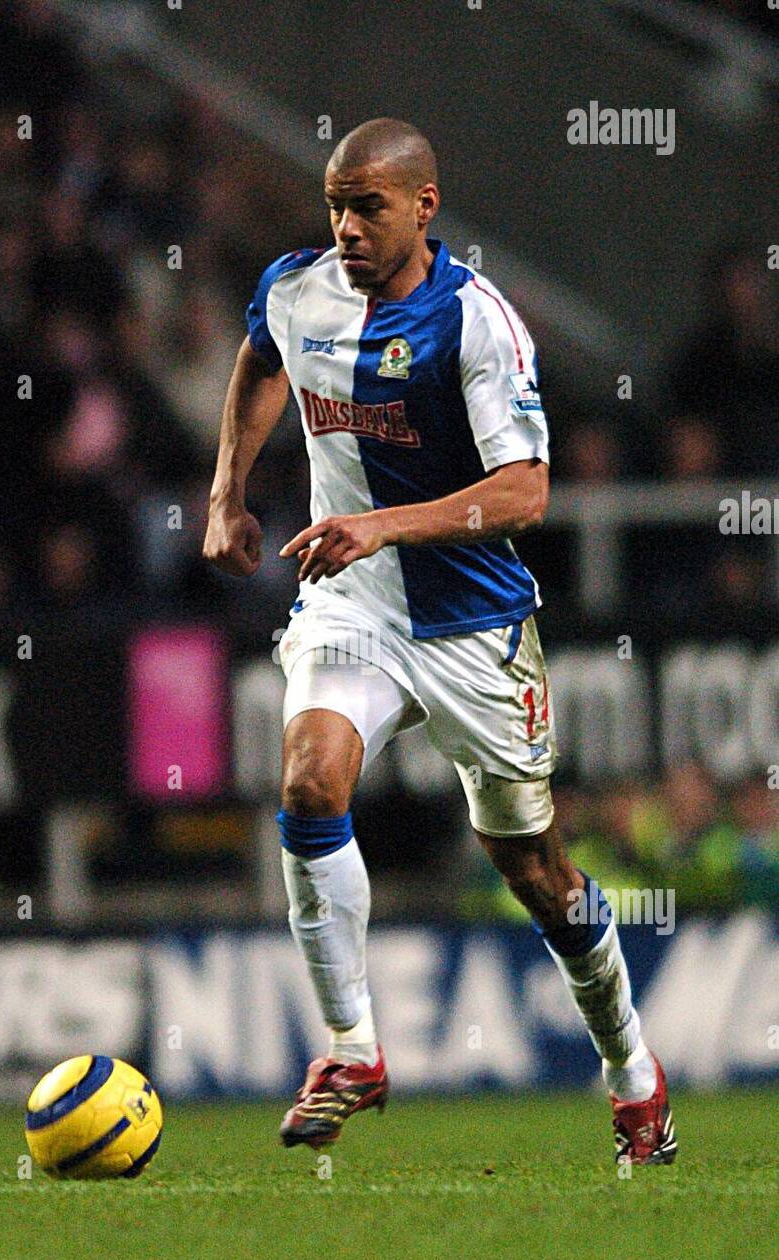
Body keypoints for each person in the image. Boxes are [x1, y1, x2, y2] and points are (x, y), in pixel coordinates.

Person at [204, 118, 675, 1166]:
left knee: (535, 870)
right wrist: (227, 491)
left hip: (473, 628)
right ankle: (352, 1049)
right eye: (333, 203)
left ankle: (632, 1072)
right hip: (351, 600)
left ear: (423, 205)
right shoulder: (298, 287)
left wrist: (381, 520)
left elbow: (525, 491)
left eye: (366, 205)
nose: (344, 226)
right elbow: (259, 359)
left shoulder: (476, 323)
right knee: (310, 784)